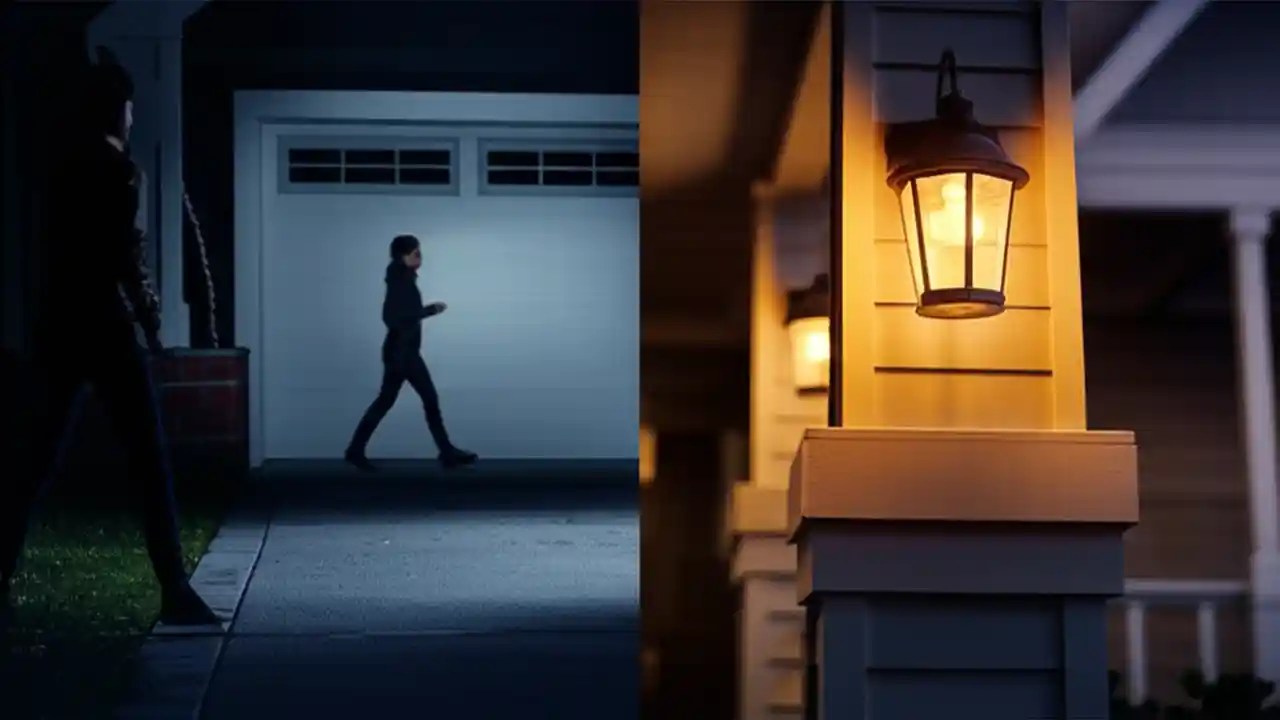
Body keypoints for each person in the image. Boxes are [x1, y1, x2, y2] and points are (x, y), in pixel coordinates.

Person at [0, 48, 220, 626]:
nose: (133, 117)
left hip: (58, 323)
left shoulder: (60, 166)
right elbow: (123, 253)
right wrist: (149, 319)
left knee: (31, 462)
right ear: (116, 109)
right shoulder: (117, 169)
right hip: (103, 324)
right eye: (129, 106)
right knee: (149, 459)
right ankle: (174, 589)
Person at [344, 234, 479, 471]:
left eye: (419, 252)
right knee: (426, 399)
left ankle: (355, 450)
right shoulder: (399, 281)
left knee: (390, 401)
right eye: (415, 253)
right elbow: (392, 318)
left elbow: (400, 315)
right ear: (402, 255)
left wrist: (423, 312)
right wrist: (429, 310)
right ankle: (446, 453)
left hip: (401, 351)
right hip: (403, 353)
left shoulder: (402, 278)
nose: (420, 257)